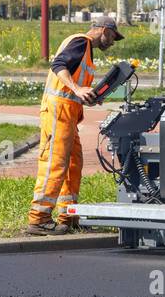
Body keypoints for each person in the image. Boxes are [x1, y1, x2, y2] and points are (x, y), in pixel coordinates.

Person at [27, 16, 123, 235]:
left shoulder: (86, 50)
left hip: (69, 113)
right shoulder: (81, 42)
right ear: (104, 30)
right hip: (58, 111)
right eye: (113, 37)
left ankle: (68, 217)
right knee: (55, 163)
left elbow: (74, 81)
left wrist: (87, 95)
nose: (113, 42)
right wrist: (77, 90)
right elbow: (58, 65)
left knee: (73, 164)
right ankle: (38, 218)